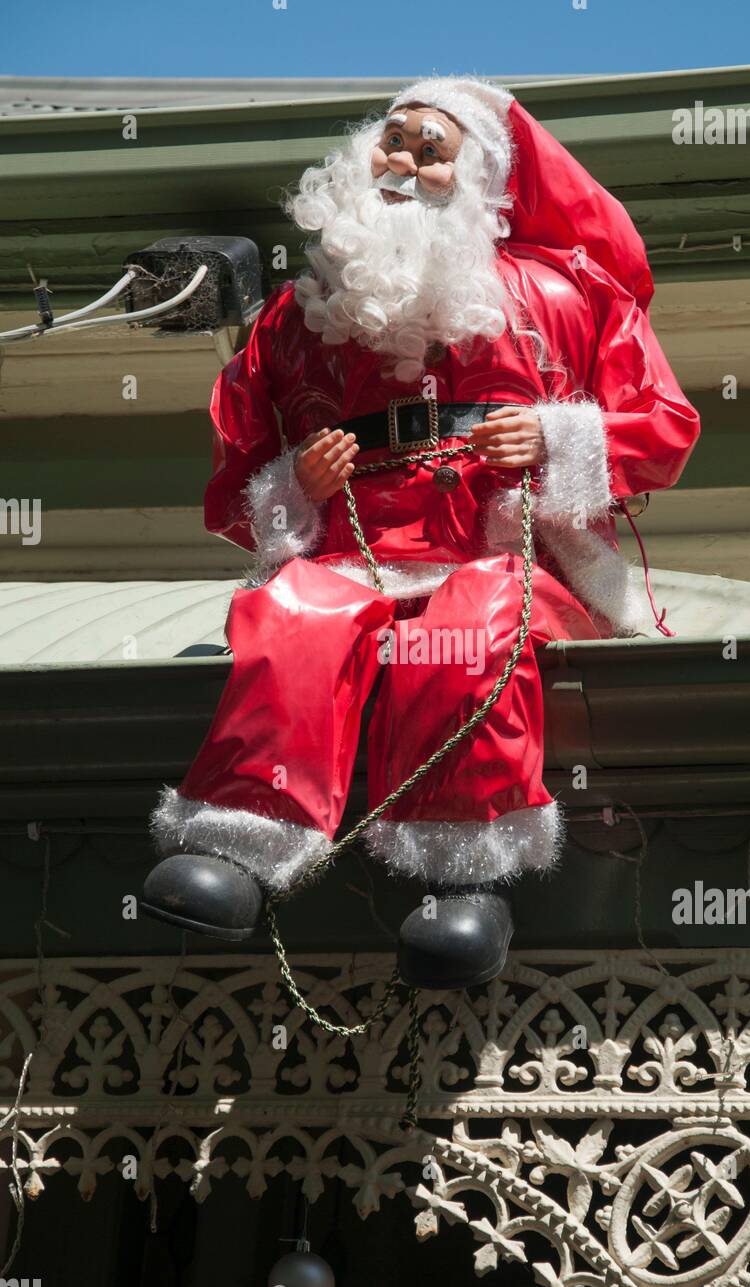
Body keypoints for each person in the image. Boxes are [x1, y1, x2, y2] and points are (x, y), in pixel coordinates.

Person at [140, 77, 700, 989]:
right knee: (293, 612)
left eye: (428, 147)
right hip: (352, 554)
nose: (399, 161)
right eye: (389, 141)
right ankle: (238, 847)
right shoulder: (298, 313)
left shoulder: (564, 291)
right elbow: (238, 476)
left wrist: (560, 436)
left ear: (478, 174)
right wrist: (297, 485)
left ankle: (461, 878)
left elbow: (665, 427)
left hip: (501, 553)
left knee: (476, 616)